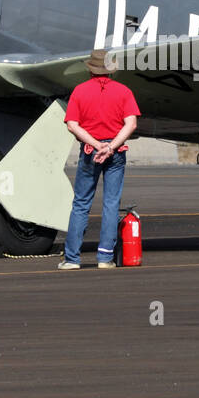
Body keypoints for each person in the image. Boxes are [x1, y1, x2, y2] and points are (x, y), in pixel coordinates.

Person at [61, 49, 140, 269]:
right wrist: (111, 147)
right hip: (116, 152)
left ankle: (72, 259)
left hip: (89, 151)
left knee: (81, 203)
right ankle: (105, 258)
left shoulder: (79, 91)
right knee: (111, 203)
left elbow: (72, 125)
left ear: (91, 70)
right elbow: (131, 124)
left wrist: (96, 145)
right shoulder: (124, 91)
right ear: (111, 70)